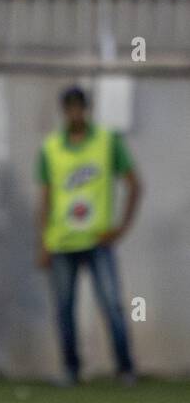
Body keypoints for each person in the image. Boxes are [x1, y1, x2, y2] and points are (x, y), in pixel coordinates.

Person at [37, 85, 142, 386]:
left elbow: (134, 184)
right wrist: (43, 242)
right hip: (61, 242)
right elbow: (44, 197)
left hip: (98, 241)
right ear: (63, 111)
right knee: (64, 309)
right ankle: (71, 370)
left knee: (111, 305)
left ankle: (125, 369)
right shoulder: (51, 148)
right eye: (69, 108)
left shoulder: (108, 142)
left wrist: (121, 228)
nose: (74, 113)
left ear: (86, 109)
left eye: (78, 107)